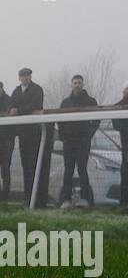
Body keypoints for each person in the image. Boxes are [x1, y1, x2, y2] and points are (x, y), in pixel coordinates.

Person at [57, 75, 99, 208]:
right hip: (69, 142)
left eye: (79, 83)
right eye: (75, 82)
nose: (77, 85)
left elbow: (97, 120)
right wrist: (63, 137)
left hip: (83, 142)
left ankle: (86, 199)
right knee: (68, 170)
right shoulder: (65, 102)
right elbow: (60, 121)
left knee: (82, 170)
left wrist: (88, 135)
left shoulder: (91, 101)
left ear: (83, 84)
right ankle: (65, 200)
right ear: (71, 84)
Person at [9, 68, 49, 207]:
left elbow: (36, 104)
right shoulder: (16, 91)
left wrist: (19, 110)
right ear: (19, 77)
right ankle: (28, 198)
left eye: (27, 75)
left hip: (35, 133)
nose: (25, 77)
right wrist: (14, 110)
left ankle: (38, 199)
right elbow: (11, 105)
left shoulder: (37, 89)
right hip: (22, 134)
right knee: (25, 166)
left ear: (30, 76)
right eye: (22, 75)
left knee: (35, 166)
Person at [0, 82, 13, 202]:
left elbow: (10, 113)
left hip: (6, 139)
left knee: (5, 169)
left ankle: (5, 197)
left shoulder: (9, 100)